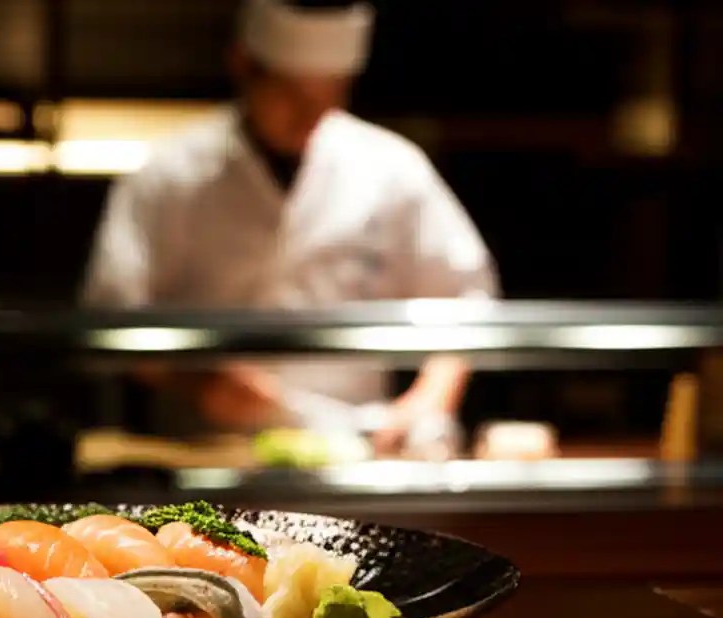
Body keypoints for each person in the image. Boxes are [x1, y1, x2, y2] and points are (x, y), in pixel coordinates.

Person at [81, 0, 499, 455]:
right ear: (243, 65)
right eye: (292, 94)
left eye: (330, 93)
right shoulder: (171, 172)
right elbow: (112, 313)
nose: (310, 115)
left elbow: (466, 297)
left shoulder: (391, 167)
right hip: (202, 453)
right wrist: (197, 382)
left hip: (352, 448)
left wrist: (426, 403)